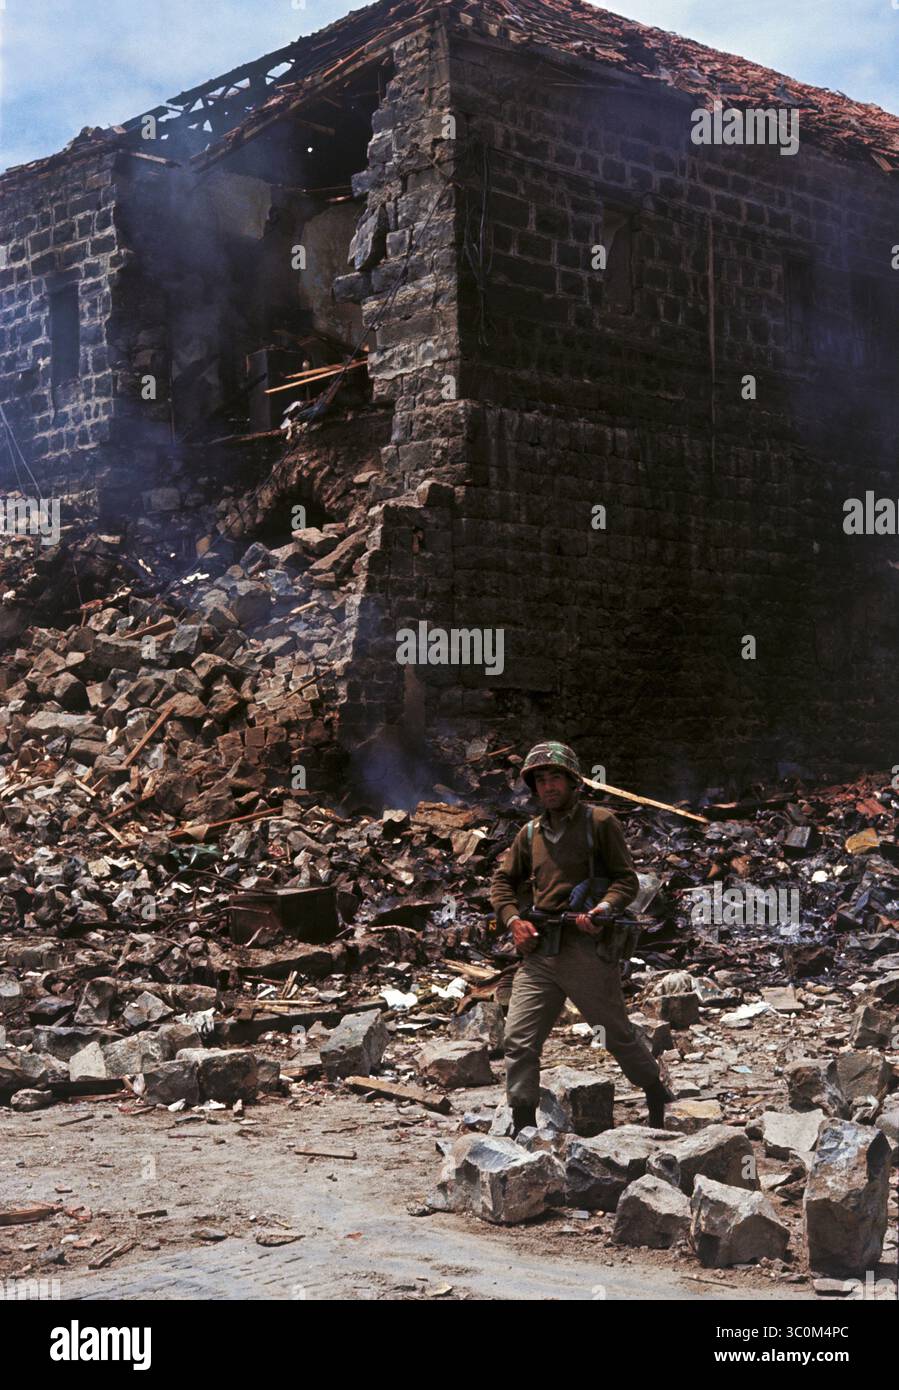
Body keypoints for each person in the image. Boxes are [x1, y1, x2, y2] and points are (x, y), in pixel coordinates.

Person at [490, 740, 673, 1135]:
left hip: (586, 951)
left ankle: (655, 1092)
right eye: (540, 780)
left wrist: (602, 910)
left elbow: (626, 880)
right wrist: (513, 922)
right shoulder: (529, 834)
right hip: (540, 951)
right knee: (518, 1040)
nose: (548, 786)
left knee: (617, 1037)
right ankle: (523, 1126)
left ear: (574, 782)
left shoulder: (599, 823)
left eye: (555, 777)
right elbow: (502, 883)